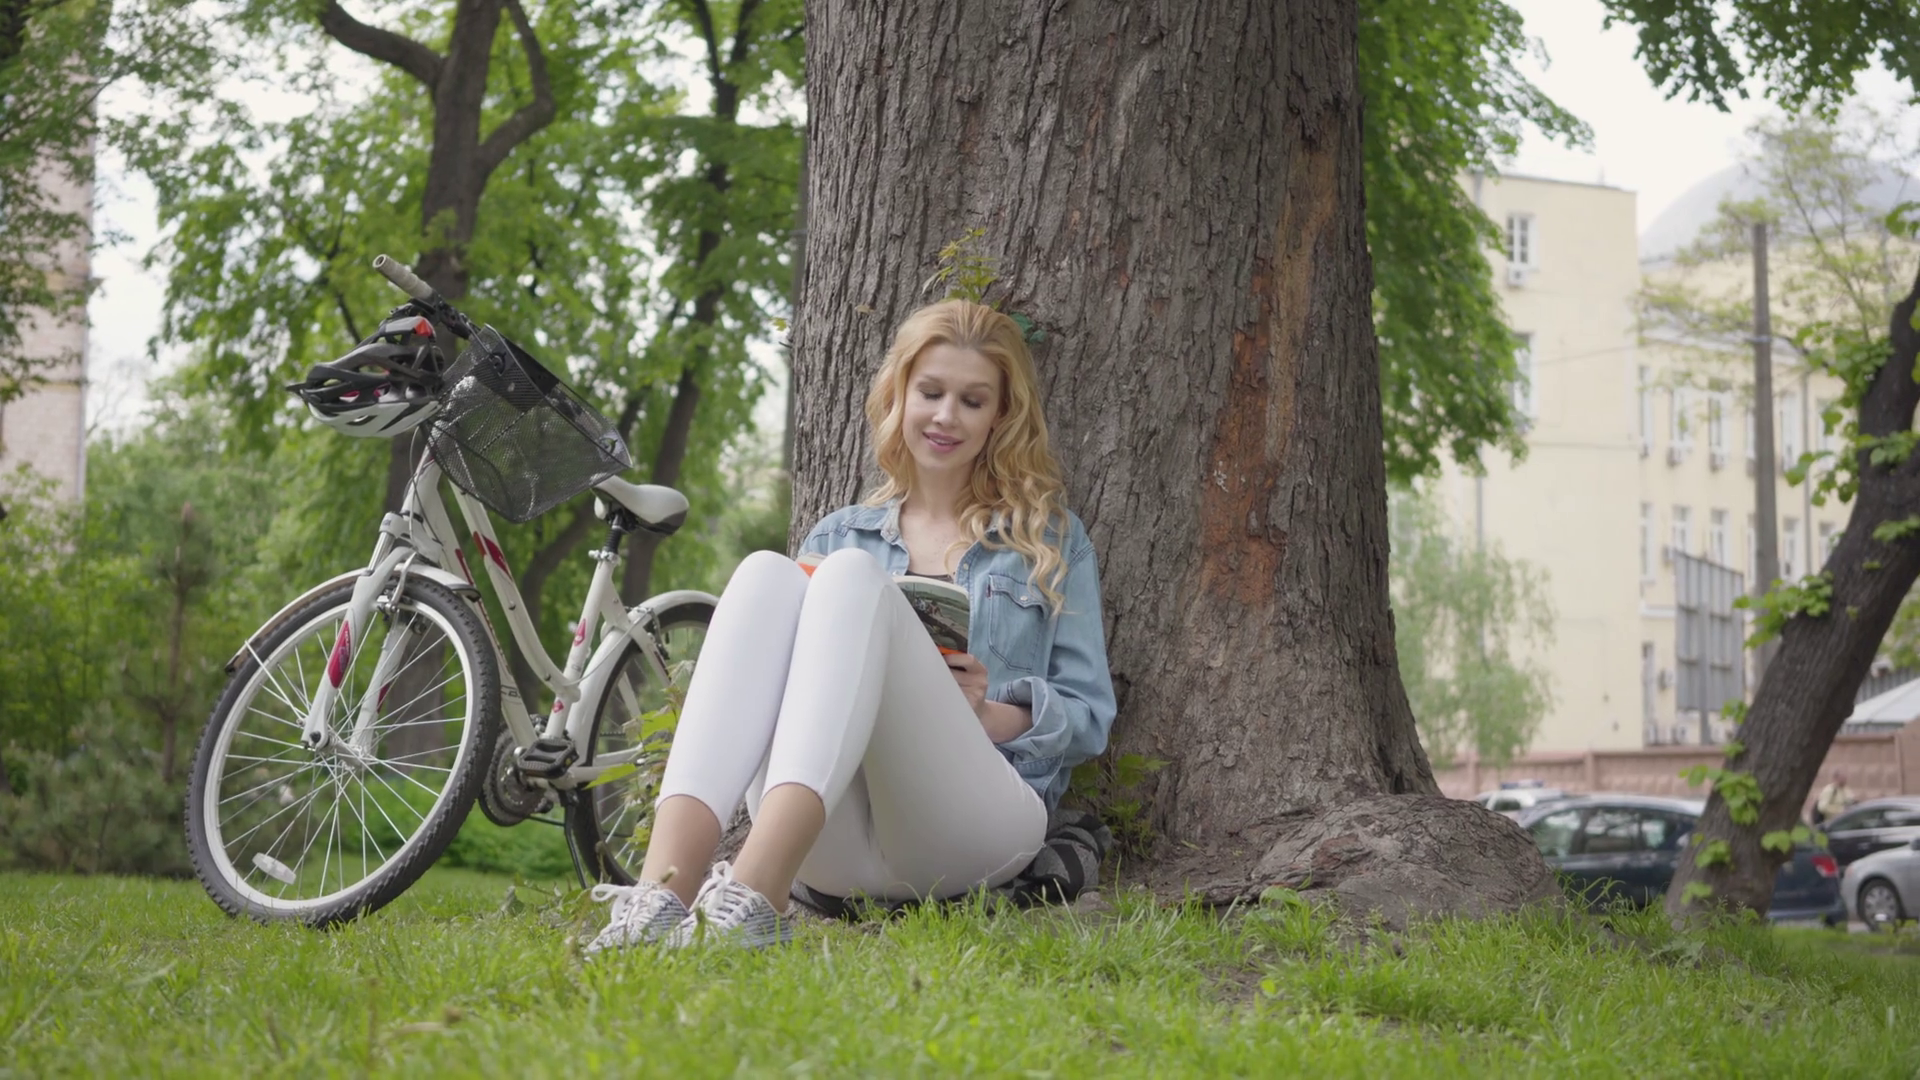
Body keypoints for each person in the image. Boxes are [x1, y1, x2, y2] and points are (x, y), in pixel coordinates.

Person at [585, 299, 1117, 951]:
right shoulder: (839, 534)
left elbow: (1089, 715)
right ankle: (660, 896)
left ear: (1000, 416)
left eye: (972, 401)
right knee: (765, 573)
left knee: (851, 578)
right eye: (931, 393)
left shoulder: (1049, 542)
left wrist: (989, 715)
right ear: (901, 395)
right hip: (830, 838)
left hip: (970, 830)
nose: (946, 416)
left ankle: (754, 894)